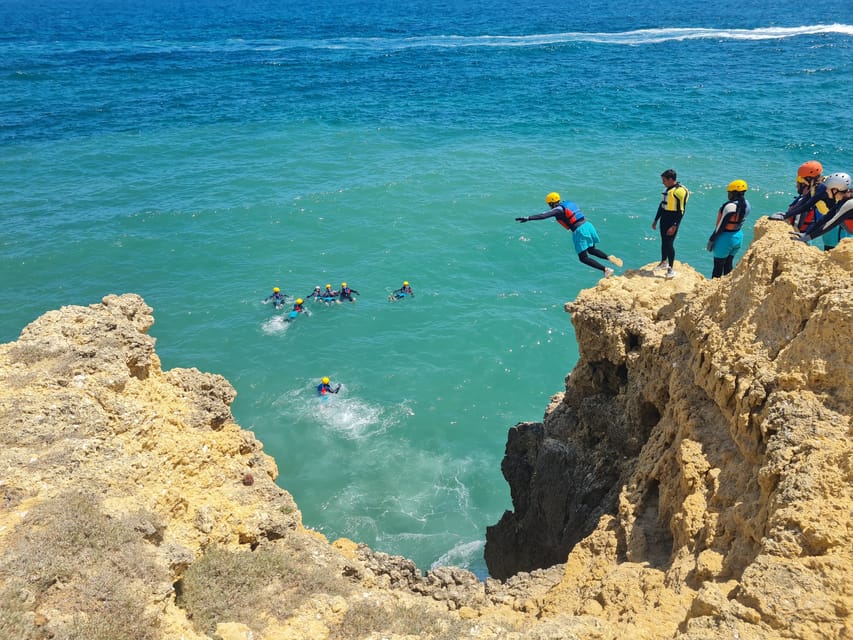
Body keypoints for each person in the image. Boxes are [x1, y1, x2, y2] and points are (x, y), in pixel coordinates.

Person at [516, 192, 623, 277]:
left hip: (580, 230)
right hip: (588, 225)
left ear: (551, 203)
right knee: (591, 249)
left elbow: (543, 216)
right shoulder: (568, 203)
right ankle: (609, 257)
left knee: (583, 258)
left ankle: (606, 270)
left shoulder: (558, 210)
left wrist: (528, 218)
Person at [769, 160, 833, 249]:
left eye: (803, 178)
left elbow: (806, 206)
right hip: (829, 217)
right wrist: (785, 215)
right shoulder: (815, 186)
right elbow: (804, 202)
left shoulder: (822, 188)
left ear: (809, 178)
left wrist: (784, 216)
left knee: (831, 249)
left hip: (837, 219)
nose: (801, 180)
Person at [792, 172, 853, 245]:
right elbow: (827, 218)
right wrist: (807, 234)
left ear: (835, 190)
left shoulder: (849, 204)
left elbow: (831, 223)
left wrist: (808, 237)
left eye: (827, 189)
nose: (826, 191)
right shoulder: (842, 201)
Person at [707, 179, 751, 278]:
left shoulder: (730, 206)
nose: (728, 194)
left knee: (717, 268)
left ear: (733, 193)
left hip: (725, 239)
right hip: (738, 237)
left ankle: (713, 290)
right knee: (728, 264)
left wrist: (711, 240)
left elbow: (721, 226)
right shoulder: (747, 204)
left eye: (729, 192)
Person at [651, 169, 689, 278]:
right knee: (664, 241)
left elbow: (681, 211)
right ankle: (664, 262)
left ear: (671, 179)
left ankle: (671, 269)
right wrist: (656, 220)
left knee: (669, 243)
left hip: (673, 220)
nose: (663, 182)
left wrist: (675, 225)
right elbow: (662, 205)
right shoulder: (667, 189)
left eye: (664, 180)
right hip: (664, 218)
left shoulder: (679, 191)